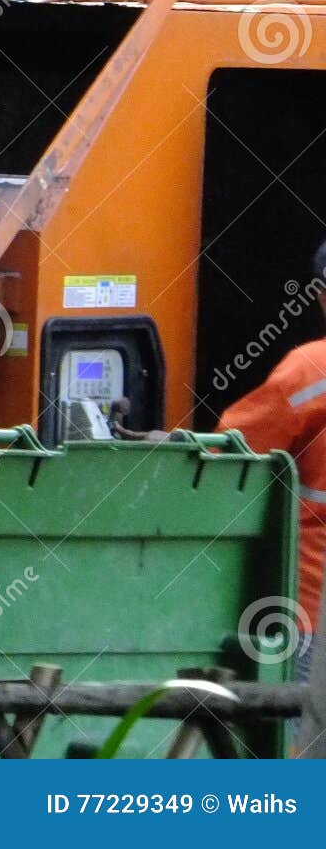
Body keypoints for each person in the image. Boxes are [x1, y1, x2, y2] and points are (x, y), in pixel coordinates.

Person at [209, 240, 326, 678]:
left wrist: (173, 443)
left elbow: (231, 452)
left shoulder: (312, 369)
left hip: (311, 607)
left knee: (297, 735)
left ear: (320, 296)